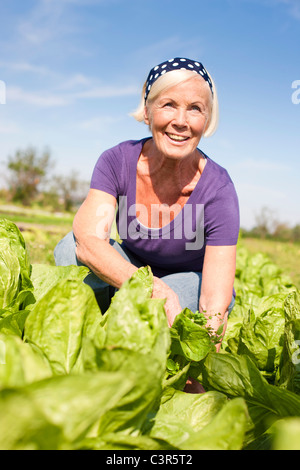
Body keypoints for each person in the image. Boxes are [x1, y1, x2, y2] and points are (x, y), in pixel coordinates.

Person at [54, 58, 240, 387]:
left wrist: (201, 372)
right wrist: (153, 289)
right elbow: (87, 240)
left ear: (207, 118)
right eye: (169, 104)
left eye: (195, 108)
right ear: (148, 109)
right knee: (69, 250)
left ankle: (155, 361)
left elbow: (214, 300)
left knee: (183, 314)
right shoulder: (117, 160)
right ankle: (93, 340)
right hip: (136, 270)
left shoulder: (219, 188)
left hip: (189, 283)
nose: (181, 122)